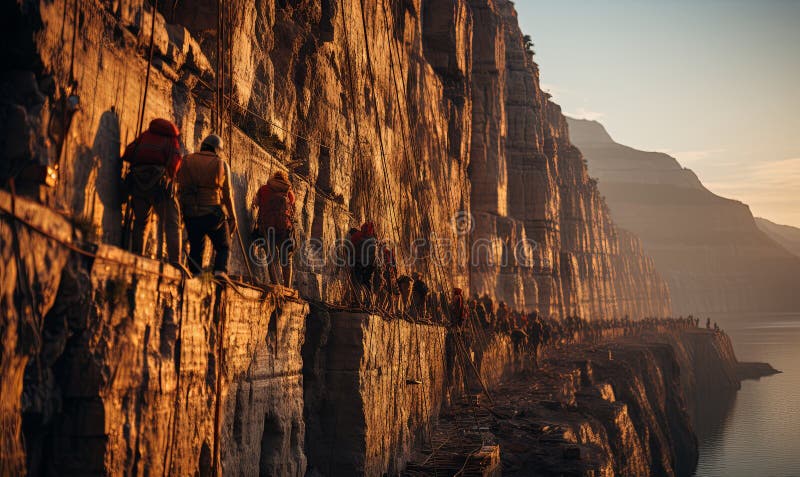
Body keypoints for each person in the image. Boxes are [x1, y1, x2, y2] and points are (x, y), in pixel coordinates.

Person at [122, 118, 183, 264]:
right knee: (172, 222)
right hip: (160, 186)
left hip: (138, 184)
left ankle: (137, 257)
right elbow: (176, 161)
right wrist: (169, 177)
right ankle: (176, 262)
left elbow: (128, 153)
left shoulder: (145, 136)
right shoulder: (171, 140)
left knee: (141, 222)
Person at [176, 134, 236, 277]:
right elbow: (227, 194)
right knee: (223, 245)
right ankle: (220, 271)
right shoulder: (221, 164)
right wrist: (233, 217)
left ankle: (195, 273)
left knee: (196, 246)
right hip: (212, 213)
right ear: (217, 149)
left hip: (190, 212)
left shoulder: (187, 159)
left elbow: (179, 184)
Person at [253, 170, 295, 286]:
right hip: (284, 229)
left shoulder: (264, 189)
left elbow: (255, 203)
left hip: (267, 228)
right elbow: (292, 209)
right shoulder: (288, 191)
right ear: (285, 179)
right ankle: (287, 287)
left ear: (273, 178)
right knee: (286, 258)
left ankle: (275, 284)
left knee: (271, 258)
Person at [350, 221, 378, 302]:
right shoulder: (373, 239)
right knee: (366, 282)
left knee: (359, 281)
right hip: (370, 265)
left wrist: (351, 259)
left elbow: (356, 251)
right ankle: (368, 301)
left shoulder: (359, 238)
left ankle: (360, 300)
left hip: (362, 263)